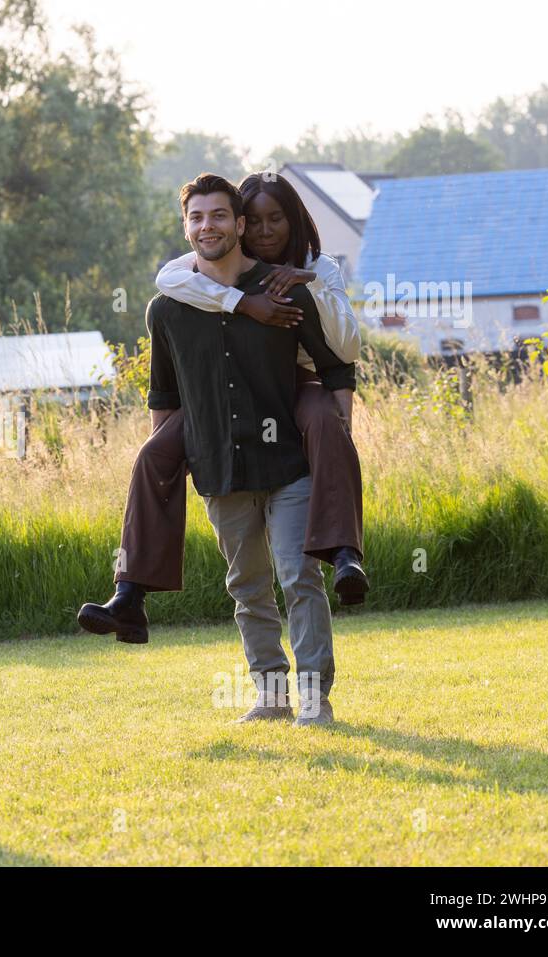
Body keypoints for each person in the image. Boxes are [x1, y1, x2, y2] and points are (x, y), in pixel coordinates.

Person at [77, 173, 354, 726]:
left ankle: (314, 699)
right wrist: (171, 454)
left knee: (298, 578)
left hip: (288, 463)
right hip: (218, 465)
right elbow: (164, 393)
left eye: (220, 216)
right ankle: (270, 697)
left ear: (240, 225)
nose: (209, 226)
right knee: (247, 587)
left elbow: (334, 363)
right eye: (198, 218)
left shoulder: (285, 291)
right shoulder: (167, 308)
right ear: (186, 228)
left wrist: (339, 434)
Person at [154, 172, 367, 603]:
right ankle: (132, 590)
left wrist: (306, 283)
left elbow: (344, 351)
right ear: (243, 224)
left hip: (300, 380)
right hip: (238, 390)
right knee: (152, 453)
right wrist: (244, 302)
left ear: (294, 220)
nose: (267, 230)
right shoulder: (224, 265)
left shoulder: (317, 265)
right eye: (257, 219)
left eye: (278, 218)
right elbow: (166, 280)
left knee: (326, 422)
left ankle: (345, 552)